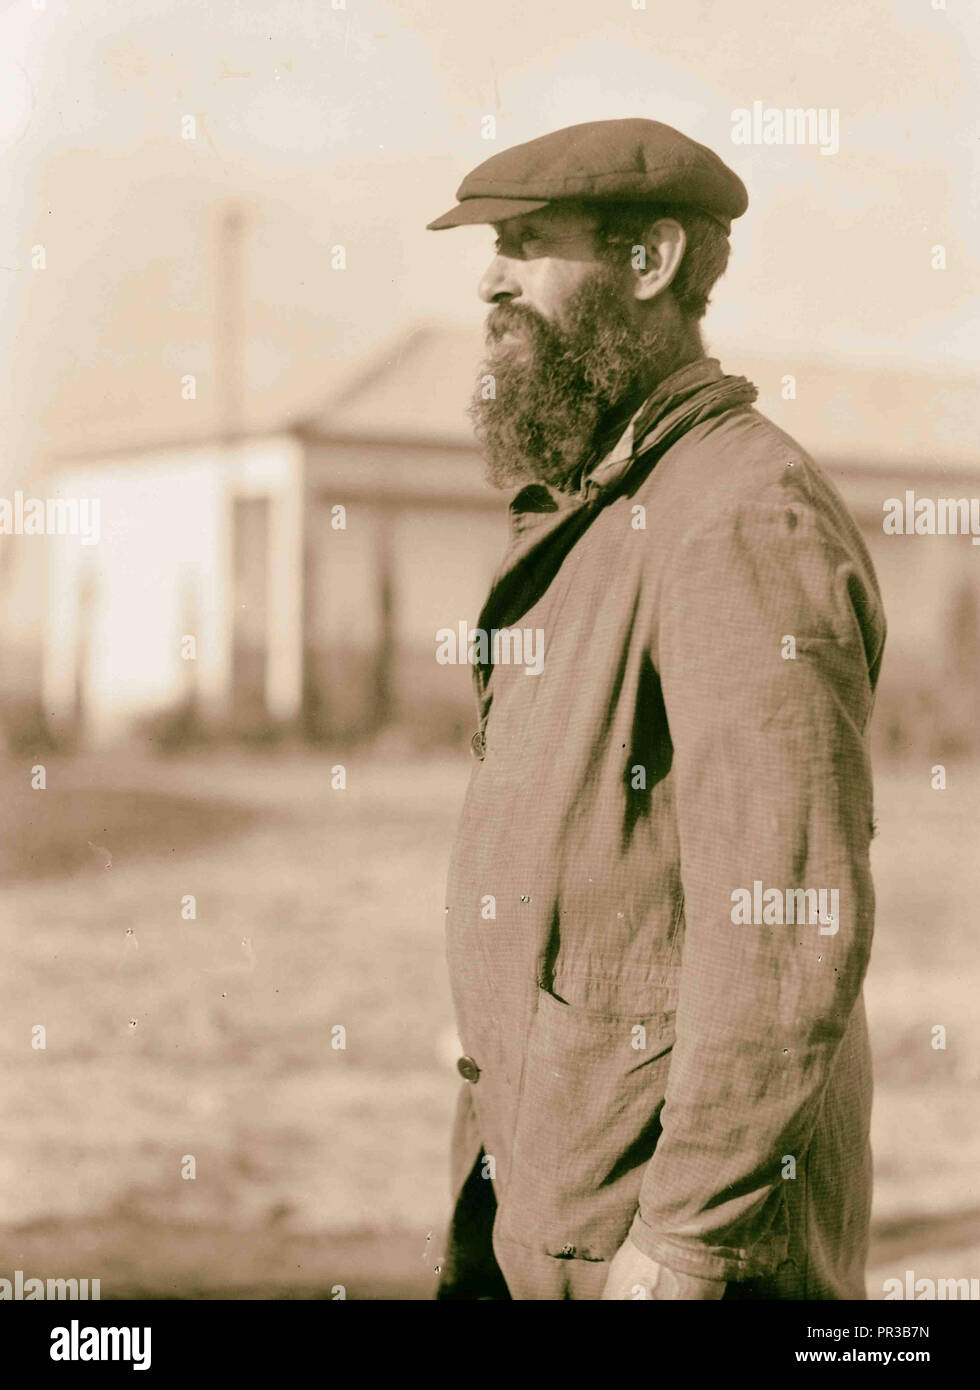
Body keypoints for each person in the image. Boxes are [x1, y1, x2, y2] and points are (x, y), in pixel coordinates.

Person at [427, 118, 886, 1300]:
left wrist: (688, 1244)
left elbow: (785, 920)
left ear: (649, 262)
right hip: (558, 1184)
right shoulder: (605, 509)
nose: (491, 276)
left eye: (529, 243)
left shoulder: (737, 514)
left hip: (662, 1246)